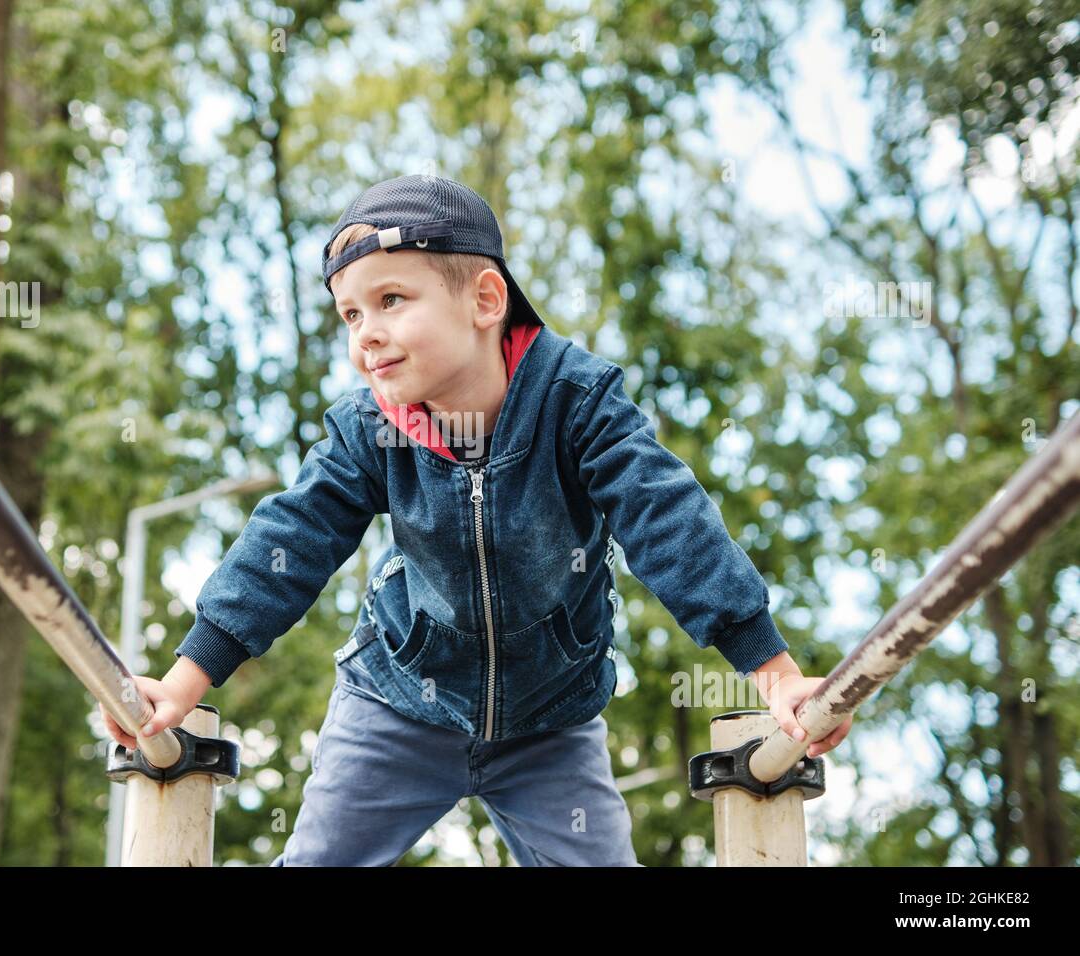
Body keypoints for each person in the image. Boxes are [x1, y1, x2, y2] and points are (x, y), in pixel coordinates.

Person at [101, 174, 852, 866]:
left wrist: (773, 671)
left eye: (391, 300)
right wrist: (186, 678)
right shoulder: (371, 429)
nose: (365, 332)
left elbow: (667, 519)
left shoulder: (577, 403)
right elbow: (289, 541)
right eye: (351, 313)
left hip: (550, 724)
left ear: (486, 301)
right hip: (395, 705)